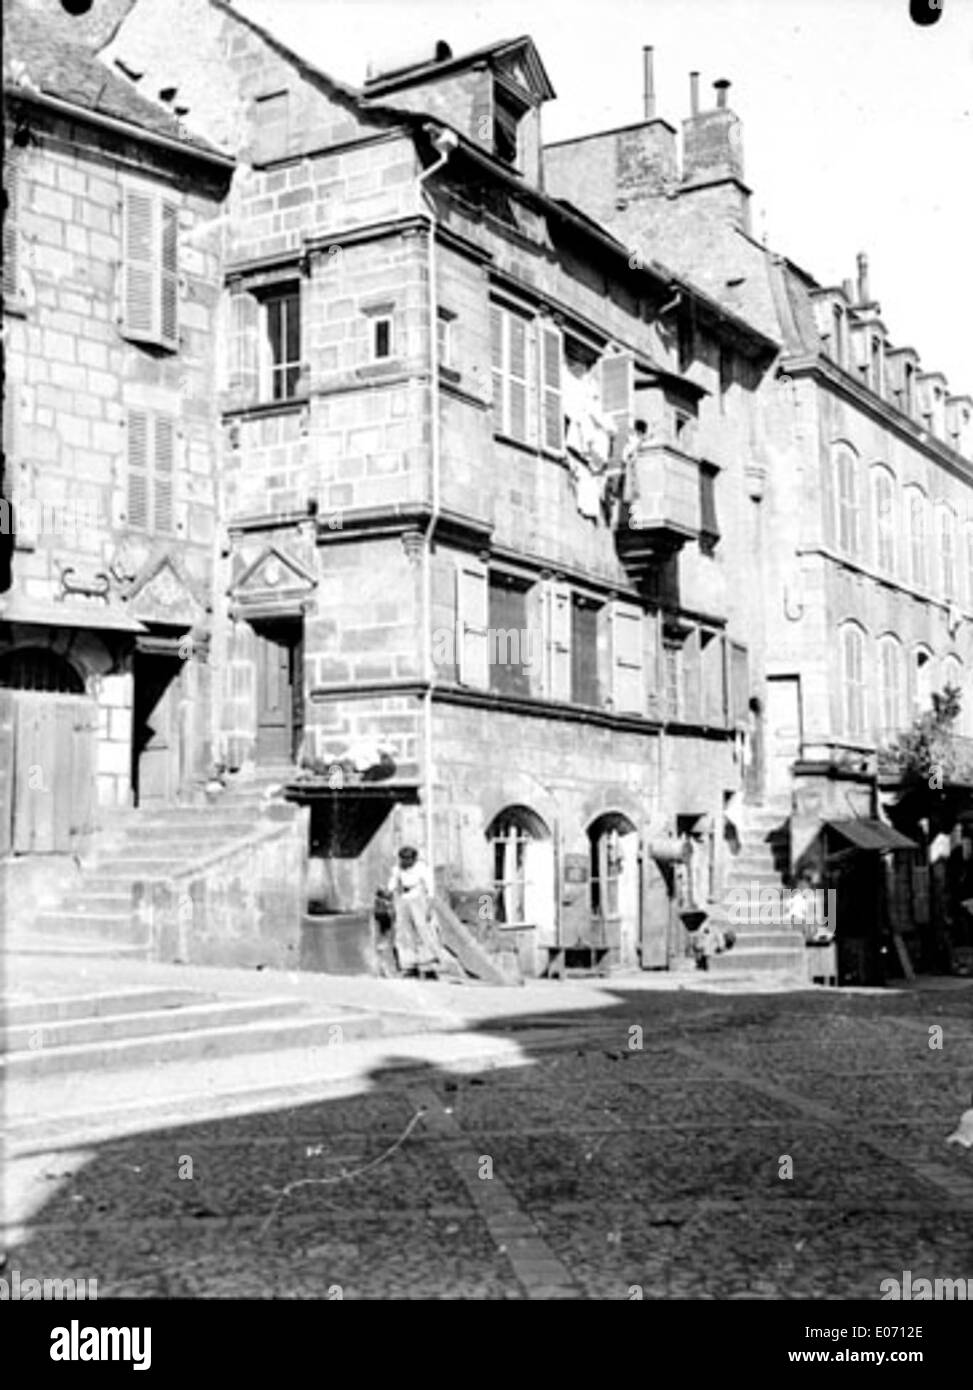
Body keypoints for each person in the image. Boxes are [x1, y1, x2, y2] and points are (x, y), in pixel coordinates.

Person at [387, 846, 442, 977]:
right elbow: (392, 883)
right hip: (404, 900)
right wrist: (388, 891)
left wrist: (429, 907)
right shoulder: (398, 868)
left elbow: (431, 889)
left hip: (419, 899)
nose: (405, 862)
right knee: (404, 932)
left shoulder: (422, 868)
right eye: (403, 859)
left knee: (422, 931)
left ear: (414, 859)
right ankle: (408, 965)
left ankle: (428, 965)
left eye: (408, 859)